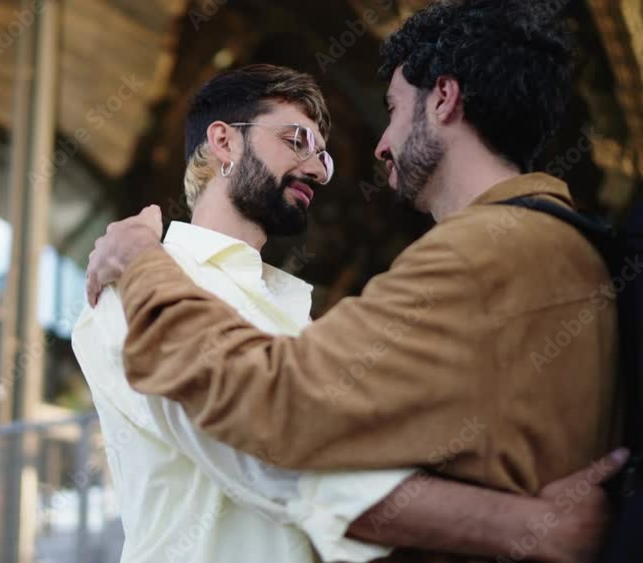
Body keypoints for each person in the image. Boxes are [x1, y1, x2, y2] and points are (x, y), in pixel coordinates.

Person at [76, 63, 623, 563]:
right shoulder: (134, 280)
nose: (317, 169)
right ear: (223, 141)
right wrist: (521, 525)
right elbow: (261, 458)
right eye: (298, 142)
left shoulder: (294, 308)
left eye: (324, 154)